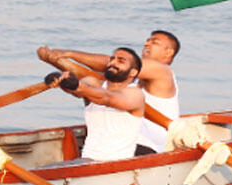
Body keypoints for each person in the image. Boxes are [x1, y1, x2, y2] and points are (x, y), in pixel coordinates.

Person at [38, 29, 179, 154]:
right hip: (123, 143)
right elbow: (83, 81)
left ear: (169, 52)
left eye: (155, 42)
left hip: (148, 147)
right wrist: (54, 60)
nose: (146, 44)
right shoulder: (127, 80)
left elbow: (108, 65)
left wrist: (68, 53)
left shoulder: (163, 72)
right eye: (147, 40)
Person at [45, 47, 146, 163]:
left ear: (133, 72)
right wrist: (61, 81)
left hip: (118, 163)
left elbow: (107, 98)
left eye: (121, 61)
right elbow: (76, 91)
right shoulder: (92, 83)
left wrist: (77, 85)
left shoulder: (135, 94)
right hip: (87, 160)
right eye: (112, 59)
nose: (113, 63)